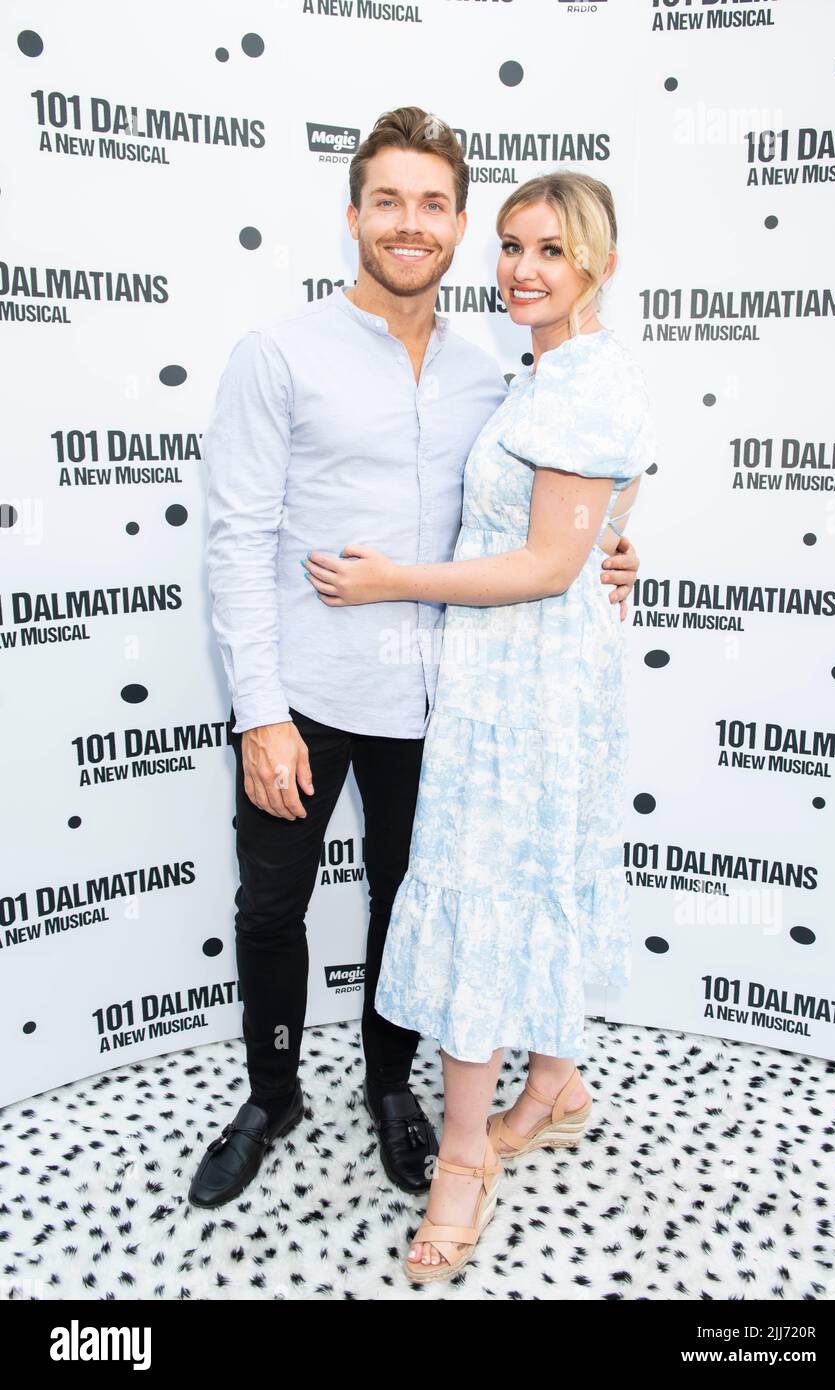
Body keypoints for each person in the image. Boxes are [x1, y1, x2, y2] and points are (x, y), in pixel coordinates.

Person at [190, 107, 641, 1210]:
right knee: (269, 909)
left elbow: (542, 515)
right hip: (305, 692)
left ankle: (392, 1090)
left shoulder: (497, 369)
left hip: (440, 700)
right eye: (386, 201)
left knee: (407, 899)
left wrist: (603, 556)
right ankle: (271, 1092)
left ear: (454, 224)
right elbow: (236, 538)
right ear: (352, 216)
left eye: (433, 205)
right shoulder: (278, 353)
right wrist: (259, 713)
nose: (410, 223)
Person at [302, 168, 655, 1282]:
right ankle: (553, 1083)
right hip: (514, 677)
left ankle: (463, 1162)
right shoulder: (543, 370)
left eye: (549, 249)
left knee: (488, 888)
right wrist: (613, 548)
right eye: (509, 245)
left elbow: (553, 563)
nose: (520, 268)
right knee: (522, 880)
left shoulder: (582, 382)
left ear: (594, 261)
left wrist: (394, 579)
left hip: (532, 695)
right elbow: (581, 536)